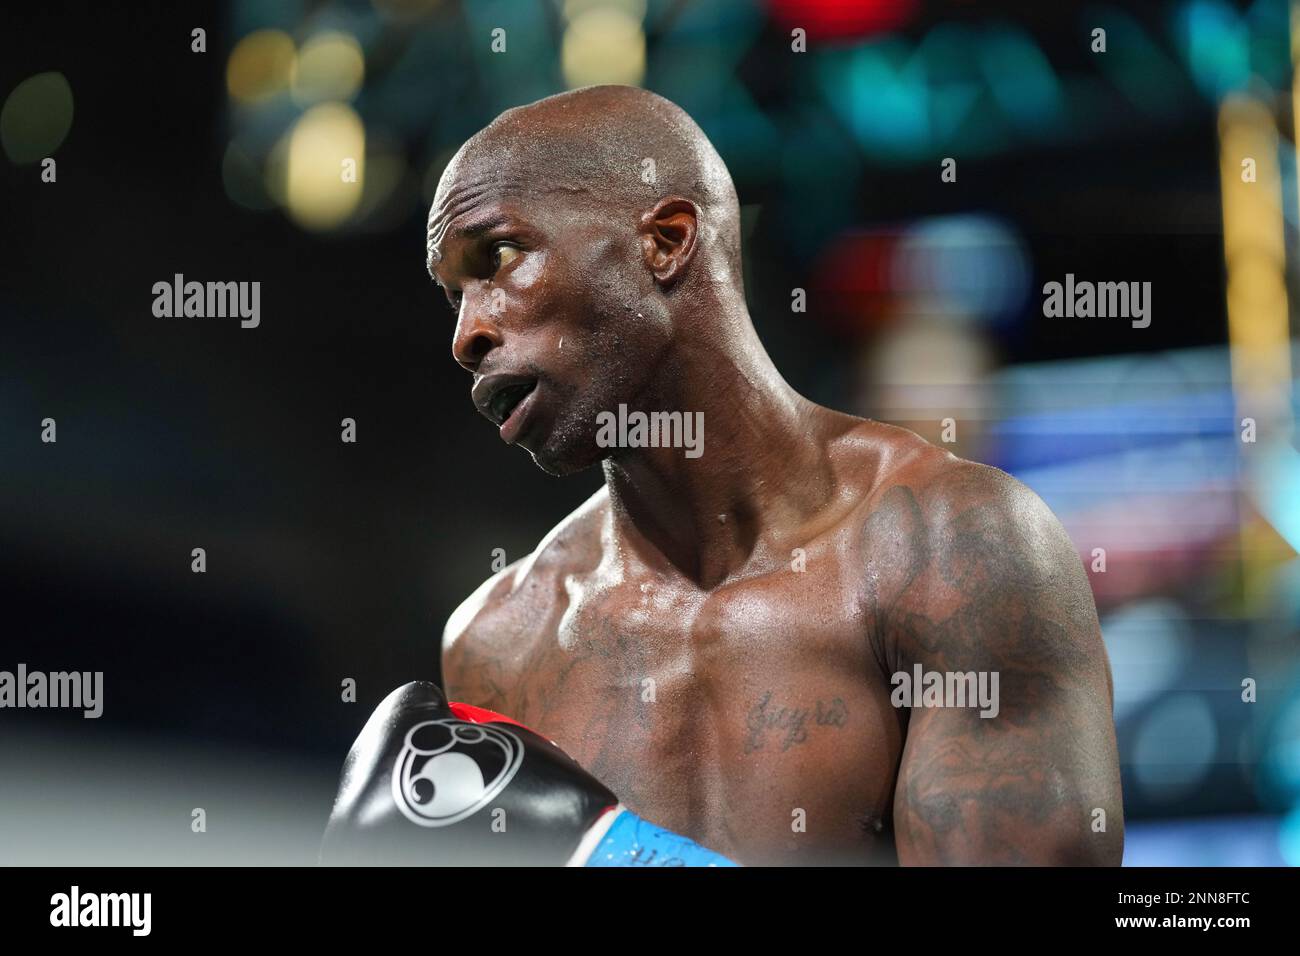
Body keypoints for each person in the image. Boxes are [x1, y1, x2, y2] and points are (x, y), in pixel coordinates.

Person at [328, 85, 1123, 866]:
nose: (466, 334)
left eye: (498, 257)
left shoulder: (950, 549)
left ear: (667, 240)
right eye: (453, 295)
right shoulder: (499, 639)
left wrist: (616, 857)